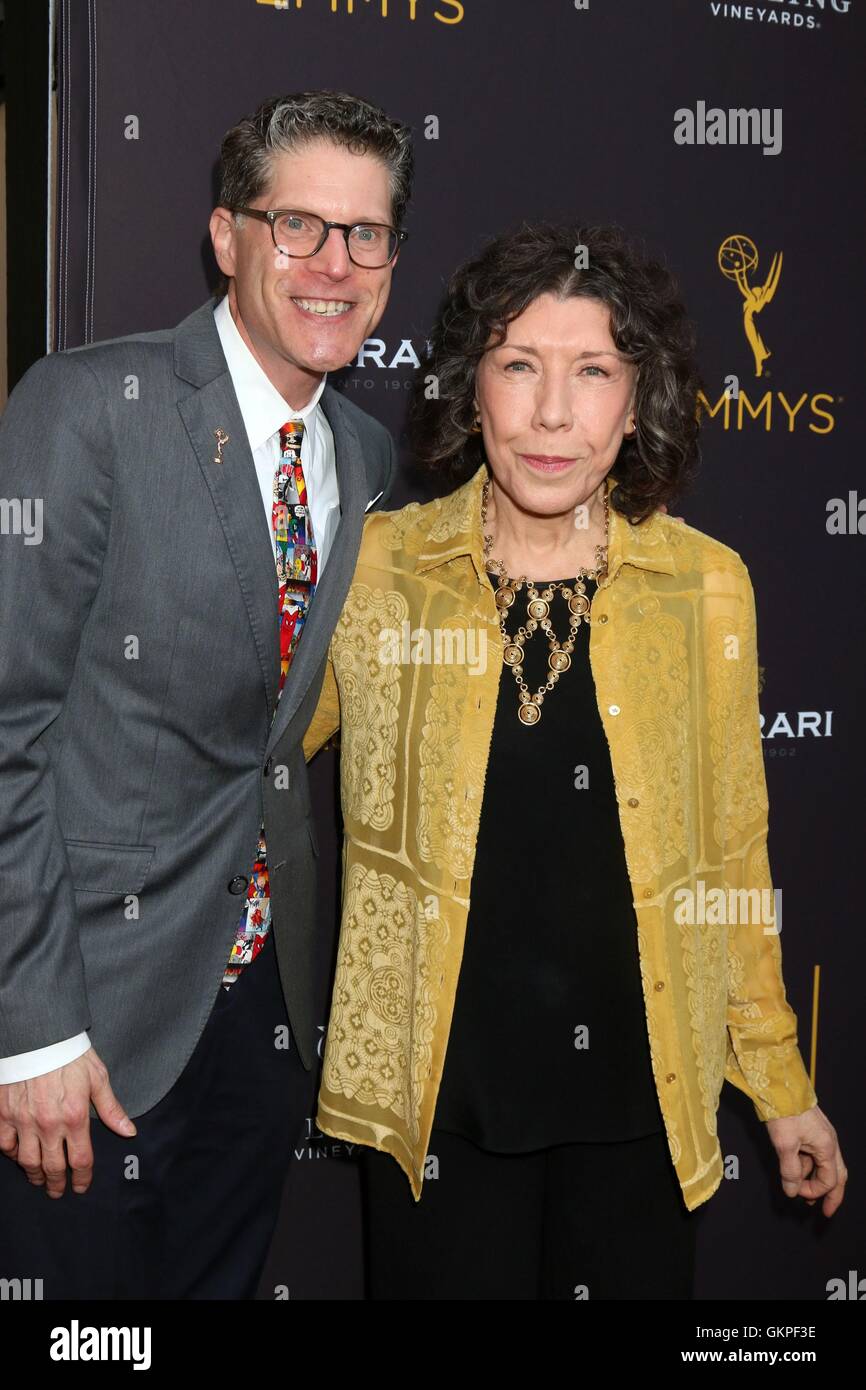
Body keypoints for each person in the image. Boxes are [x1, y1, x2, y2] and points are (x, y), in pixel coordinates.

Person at [302, 221, 847, 1300]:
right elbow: (244, 769)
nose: (552, 413)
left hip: (641, 1111)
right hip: (435, 1114)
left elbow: (732, 857)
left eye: (591, 370)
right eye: (518, 366)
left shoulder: (705, 587)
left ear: (636, 399)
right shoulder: (377, 573)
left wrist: (780, 1084)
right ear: (469, 390)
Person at [0, 90, 412, 1299]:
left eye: (364, 234)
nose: (331, 265)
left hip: (260, 1021)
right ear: (226, 235)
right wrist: (29, 1030)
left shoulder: (366, 460)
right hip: (86, 1020)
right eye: (296, 226)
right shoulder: (85, 408)